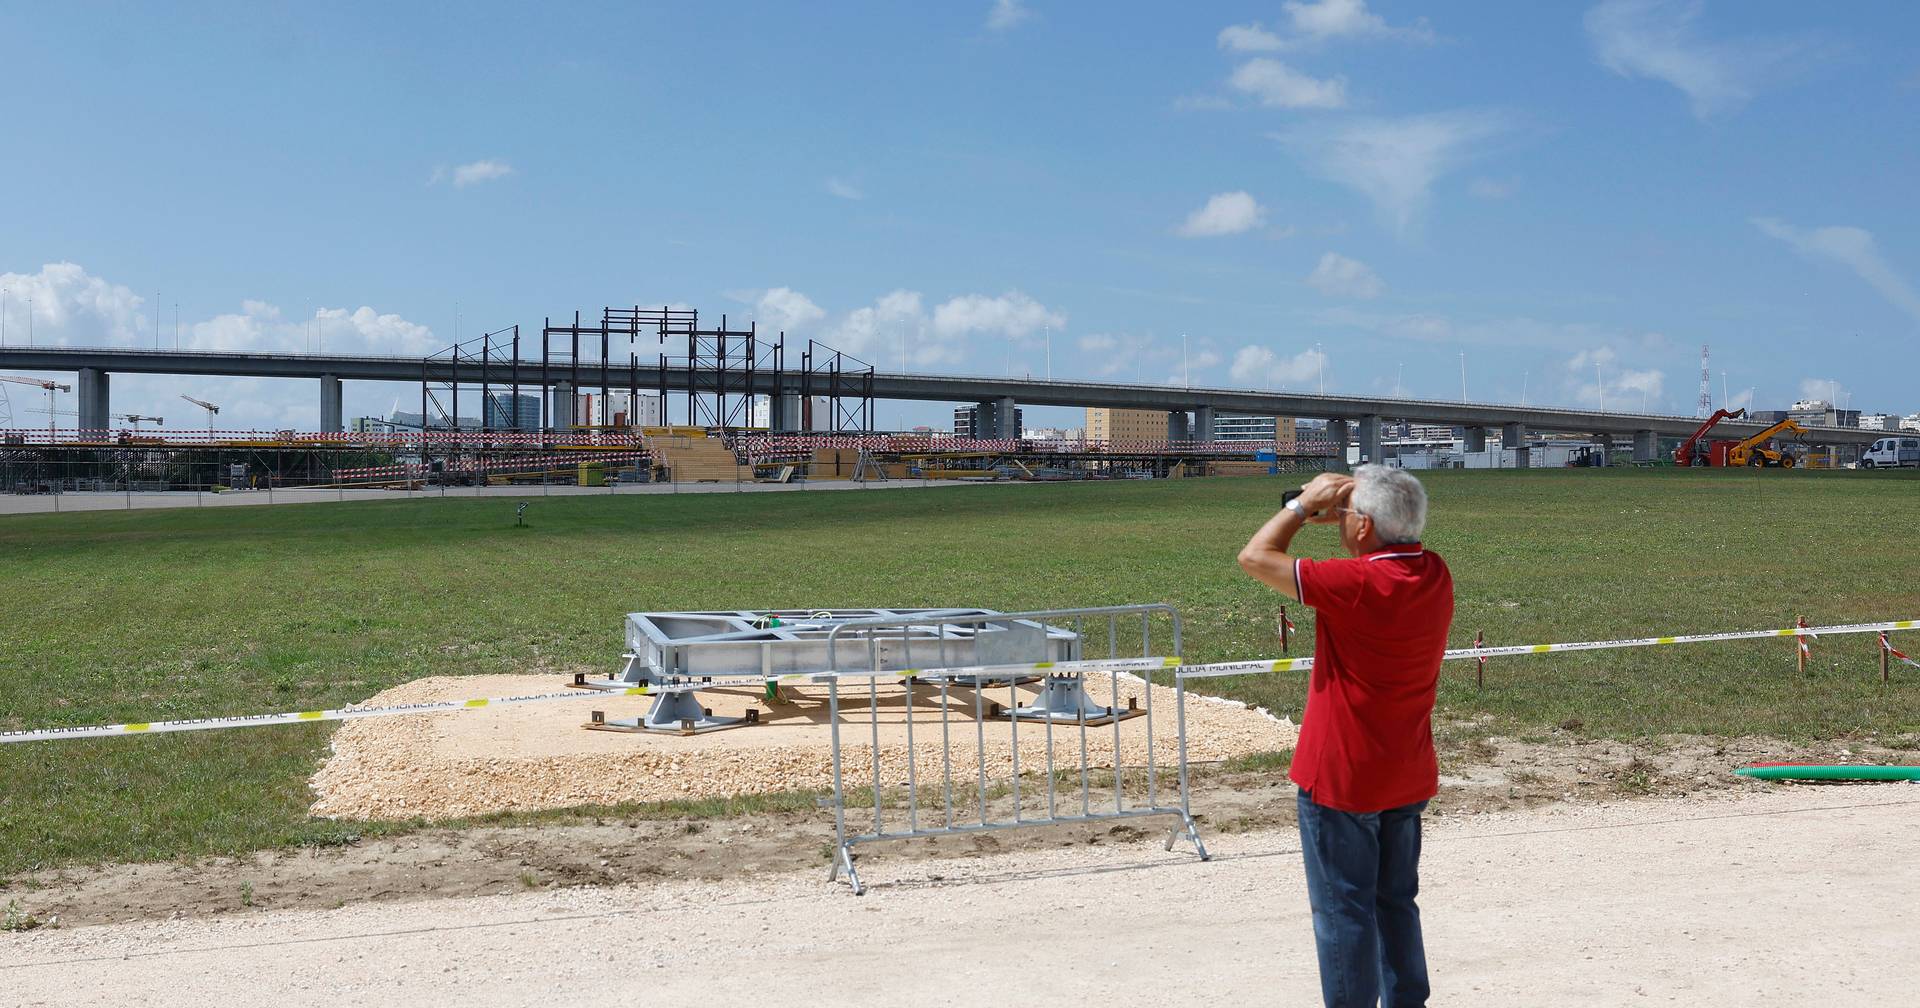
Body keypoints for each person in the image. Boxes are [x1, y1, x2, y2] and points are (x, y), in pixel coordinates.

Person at [1236, 465, 1455, 1008]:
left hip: (1342, 778)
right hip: (1406, 772)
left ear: (1362, 528)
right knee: (1395, 903)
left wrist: (1302, 506)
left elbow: (1255, 556)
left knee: (1344, 914)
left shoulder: (1355, 583)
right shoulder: (1434, 573)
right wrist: (1347, 509)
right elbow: (1379, 544)